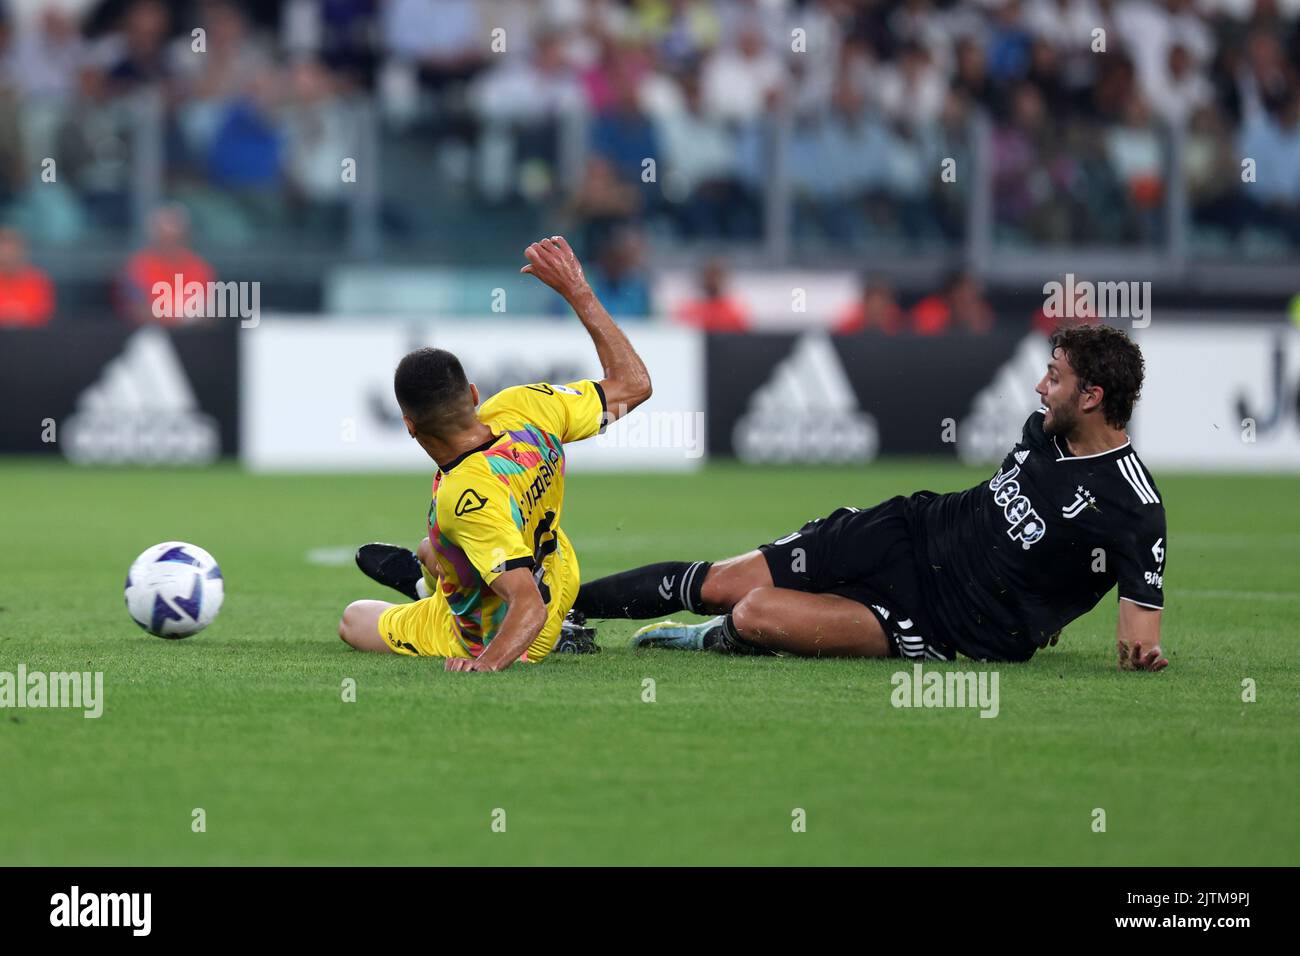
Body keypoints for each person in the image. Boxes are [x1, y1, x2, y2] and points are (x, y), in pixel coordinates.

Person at [574, 325, 1169, 672]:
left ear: (1091, 396)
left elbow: (1138, 637)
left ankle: (707, 637)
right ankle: (567, 611)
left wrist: (1083, 630)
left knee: (754, 612)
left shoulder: (1134, 508)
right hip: (901, 531)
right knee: (718, 583)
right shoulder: (1043, 430)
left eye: (1055, 378)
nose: (1040, 386)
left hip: (936, 623)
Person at [339, 236, 652, 672]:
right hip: (559, 570)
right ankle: (424, 580)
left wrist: (486, 664)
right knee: (431, 548)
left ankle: (449, 603)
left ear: (408, 424)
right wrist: (577, 290)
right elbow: (634, 384)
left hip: (511, 627)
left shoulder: (466, 497)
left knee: (353, 619)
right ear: (472, 393)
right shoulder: (524, 405)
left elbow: (528, 606)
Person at [0, 228, 55, 327]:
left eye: (12, 252)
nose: (8, 257)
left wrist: (20, 316)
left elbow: (44, 315)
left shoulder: (38, 281)